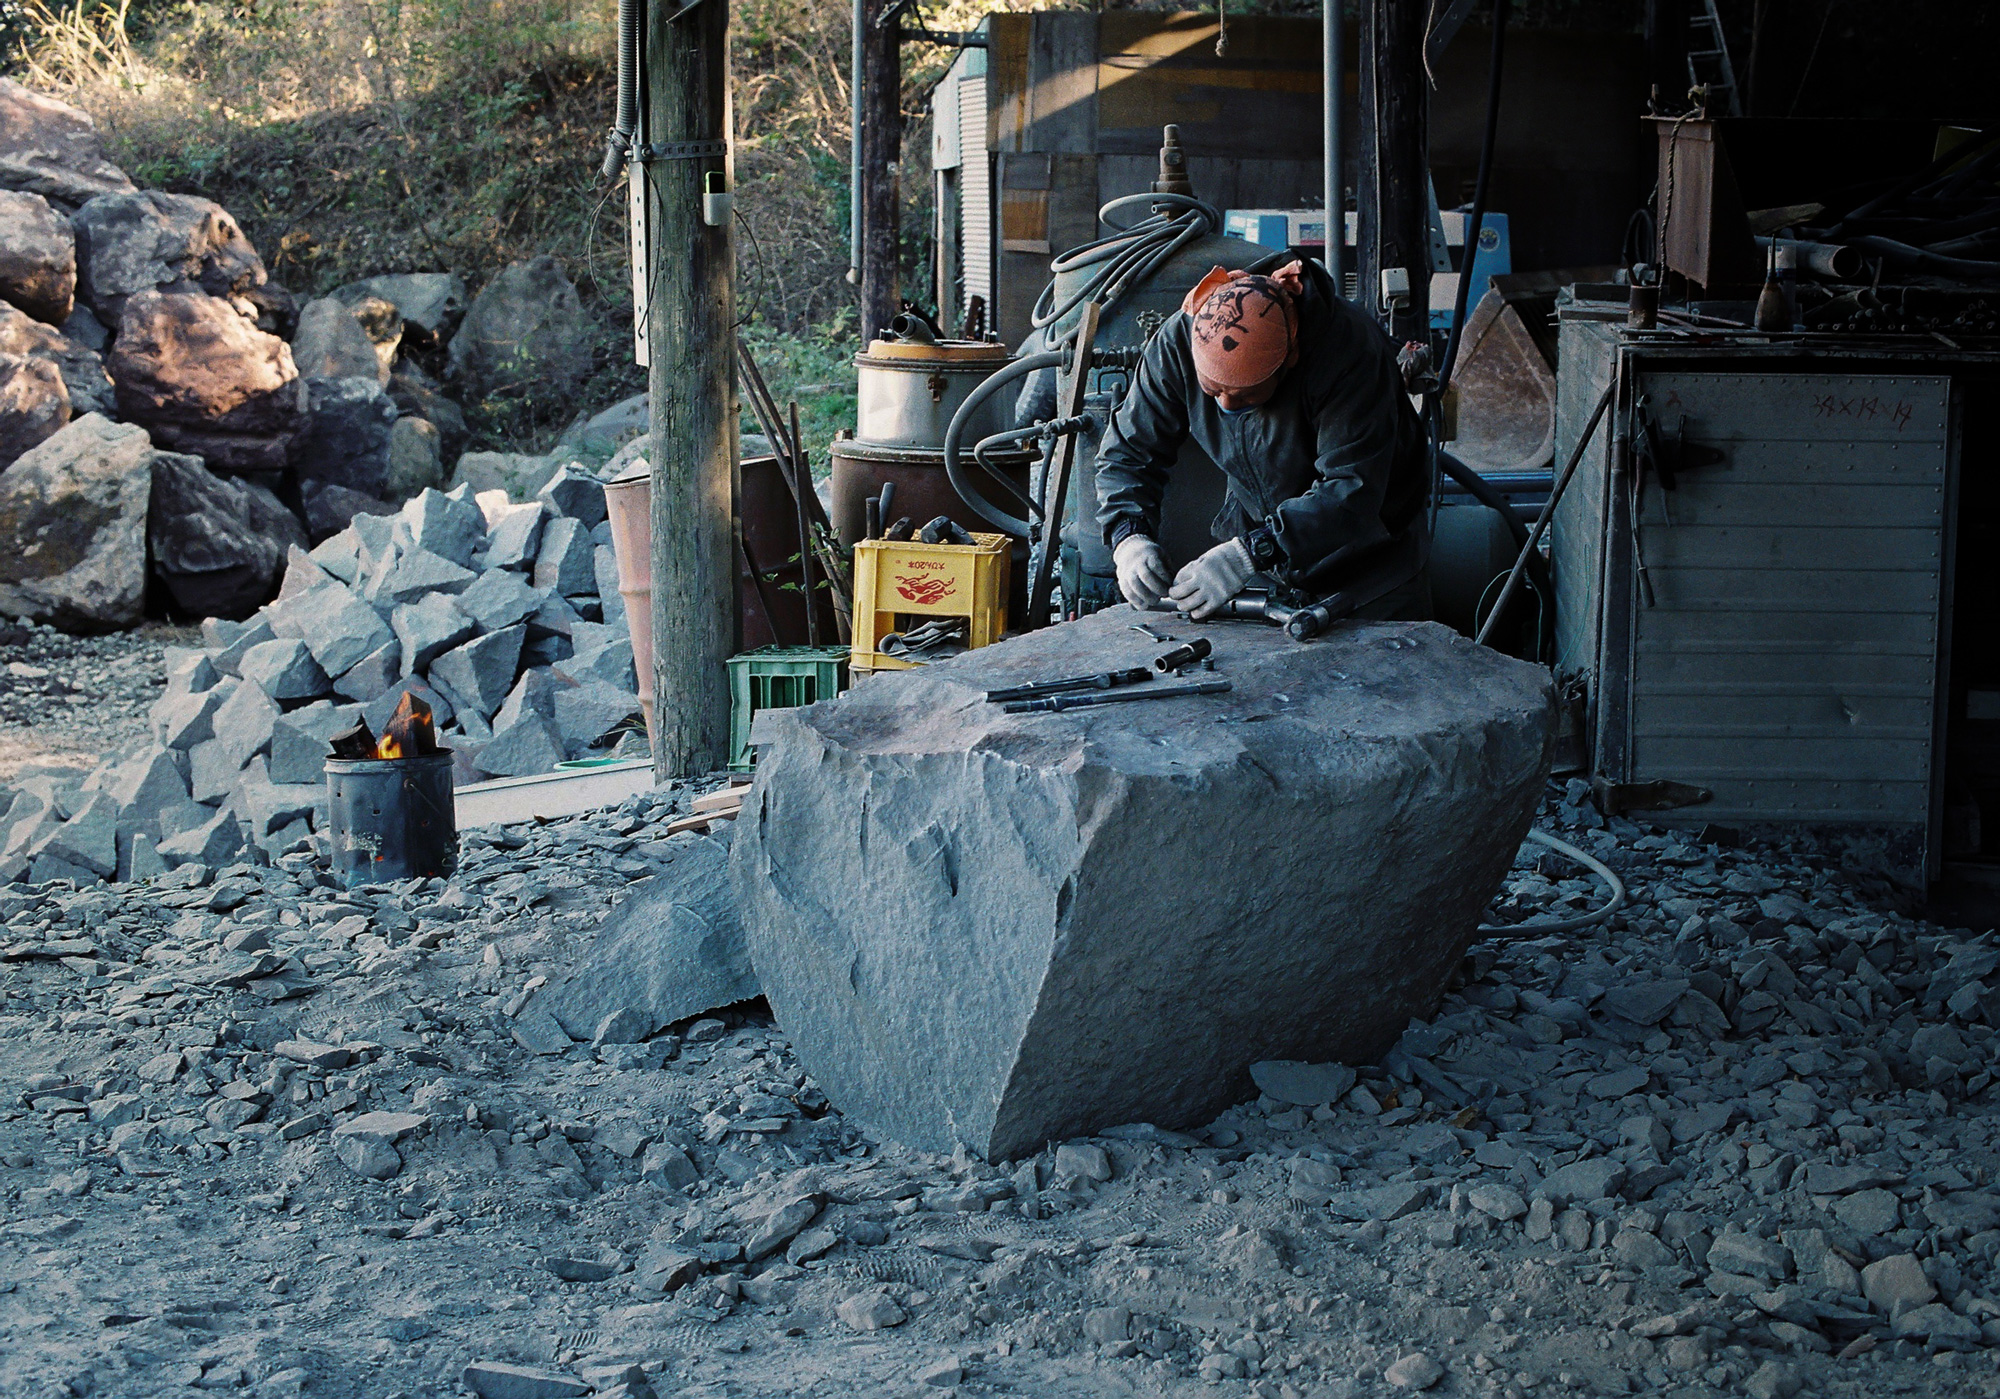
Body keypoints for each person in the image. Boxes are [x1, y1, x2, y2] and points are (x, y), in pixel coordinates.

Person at [1094, 258, 1431, 619]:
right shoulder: (1180, 342)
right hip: (1268, 568)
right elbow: (1128, 452)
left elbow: (1352, 489)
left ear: (1290, 359)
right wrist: (1129, 538)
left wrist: (1248, 554)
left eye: (1244, 395)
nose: (1225, 403)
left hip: (1371, 571)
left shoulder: (1350, 353)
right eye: (1212, 390)